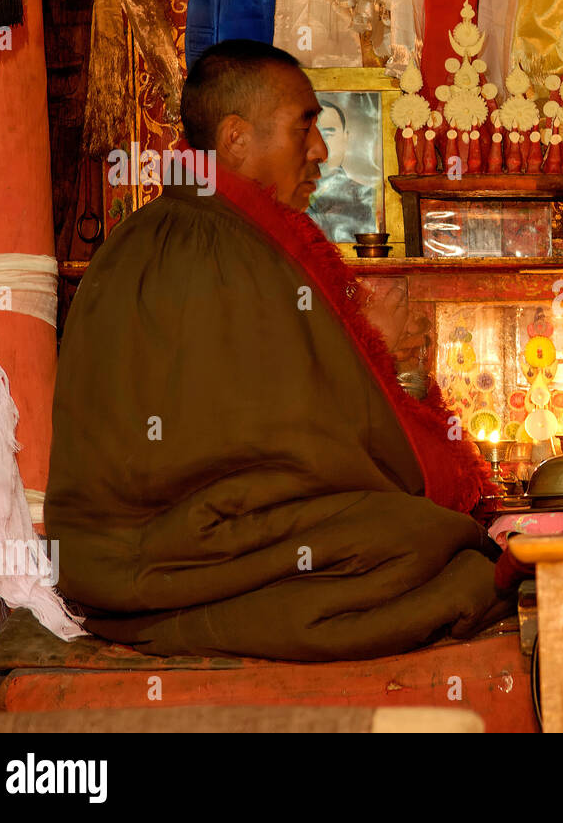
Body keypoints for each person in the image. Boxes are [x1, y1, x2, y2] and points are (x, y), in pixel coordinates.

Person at [45, 39, 510, 661]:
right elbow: (307, 437)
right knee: (427, 541)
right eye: (306, 126)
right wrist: (389, 365)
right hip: (179, 542)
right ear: (236, 139)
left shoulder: (150, 236)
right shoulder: (227, 247)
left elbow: (264, 431)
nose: (320, 150)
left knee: (416, 542)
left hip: (107, 556)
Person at [305, 100, 379, 242]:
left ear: (346, 137)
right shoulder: (285, 197)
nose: (321, 145)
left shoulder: (369, 199)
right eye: (312, 135)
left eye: (328, 134)